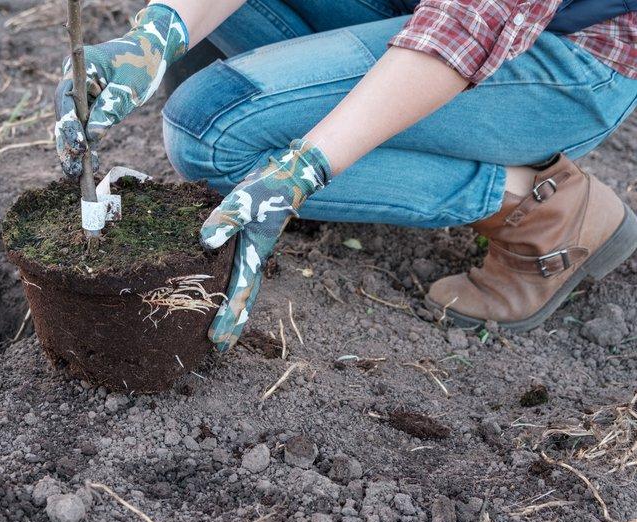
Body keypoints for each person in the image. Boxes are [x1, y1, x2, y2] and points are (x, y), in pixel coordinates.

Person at [55, 0, 637, 352]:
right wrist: (153, 37)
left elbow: (468, 24)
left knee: (208, 132)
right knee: (197, 45)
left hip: (562, 58)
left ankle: (539, 208)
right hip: (417, 10)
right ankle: (316, 134)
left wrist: (300, 168)